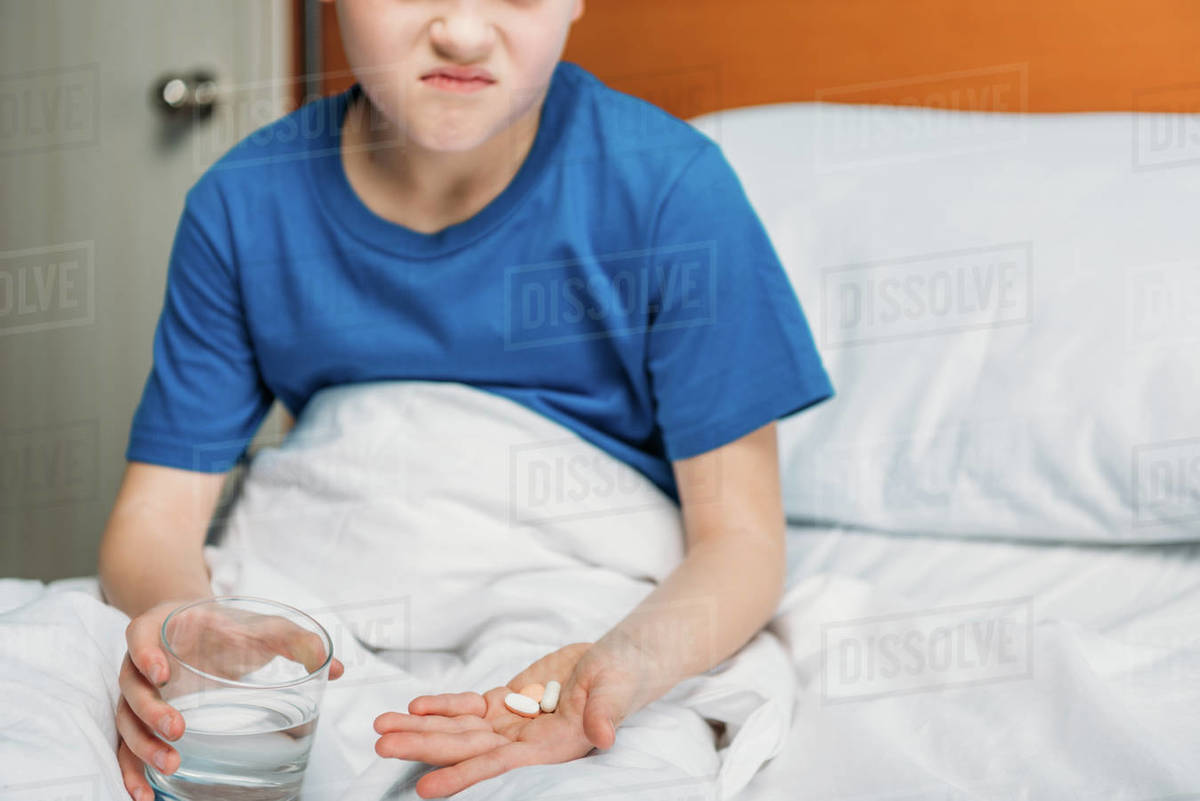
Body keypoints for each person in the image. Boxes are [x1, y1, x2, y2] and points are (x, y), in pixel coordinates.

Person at [97, 1, 834, 799]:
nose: (464, 31)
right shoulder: (242, 203)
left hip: (582, 608)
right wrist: (189, 633)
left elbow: (742, 543)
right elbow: (155, 519)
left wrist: (617, 666)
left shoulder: (671, 189)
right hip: (316, 594)